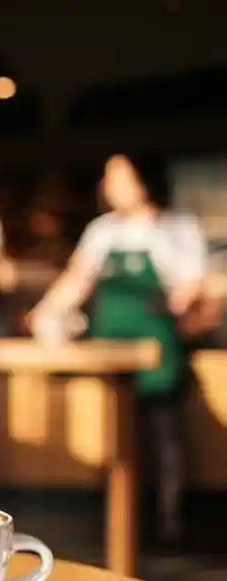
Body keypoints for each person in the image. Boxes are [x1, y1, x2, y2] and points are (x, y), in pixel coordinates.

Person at [31, 153, 219, 545]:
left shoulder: (176, 229)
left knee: (164, 435)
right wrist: (45, 313)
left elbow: (193, 285)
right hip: (110, 344)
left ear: (144, 181)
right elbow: (77, 279)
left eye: (118, 177)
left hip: (157, 344)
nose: (109, 186)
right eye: (107, 178)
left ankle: (169, 521)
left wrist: (185, 298)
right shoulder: (103, 231)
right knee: (116, 433)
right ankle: (118, 522)